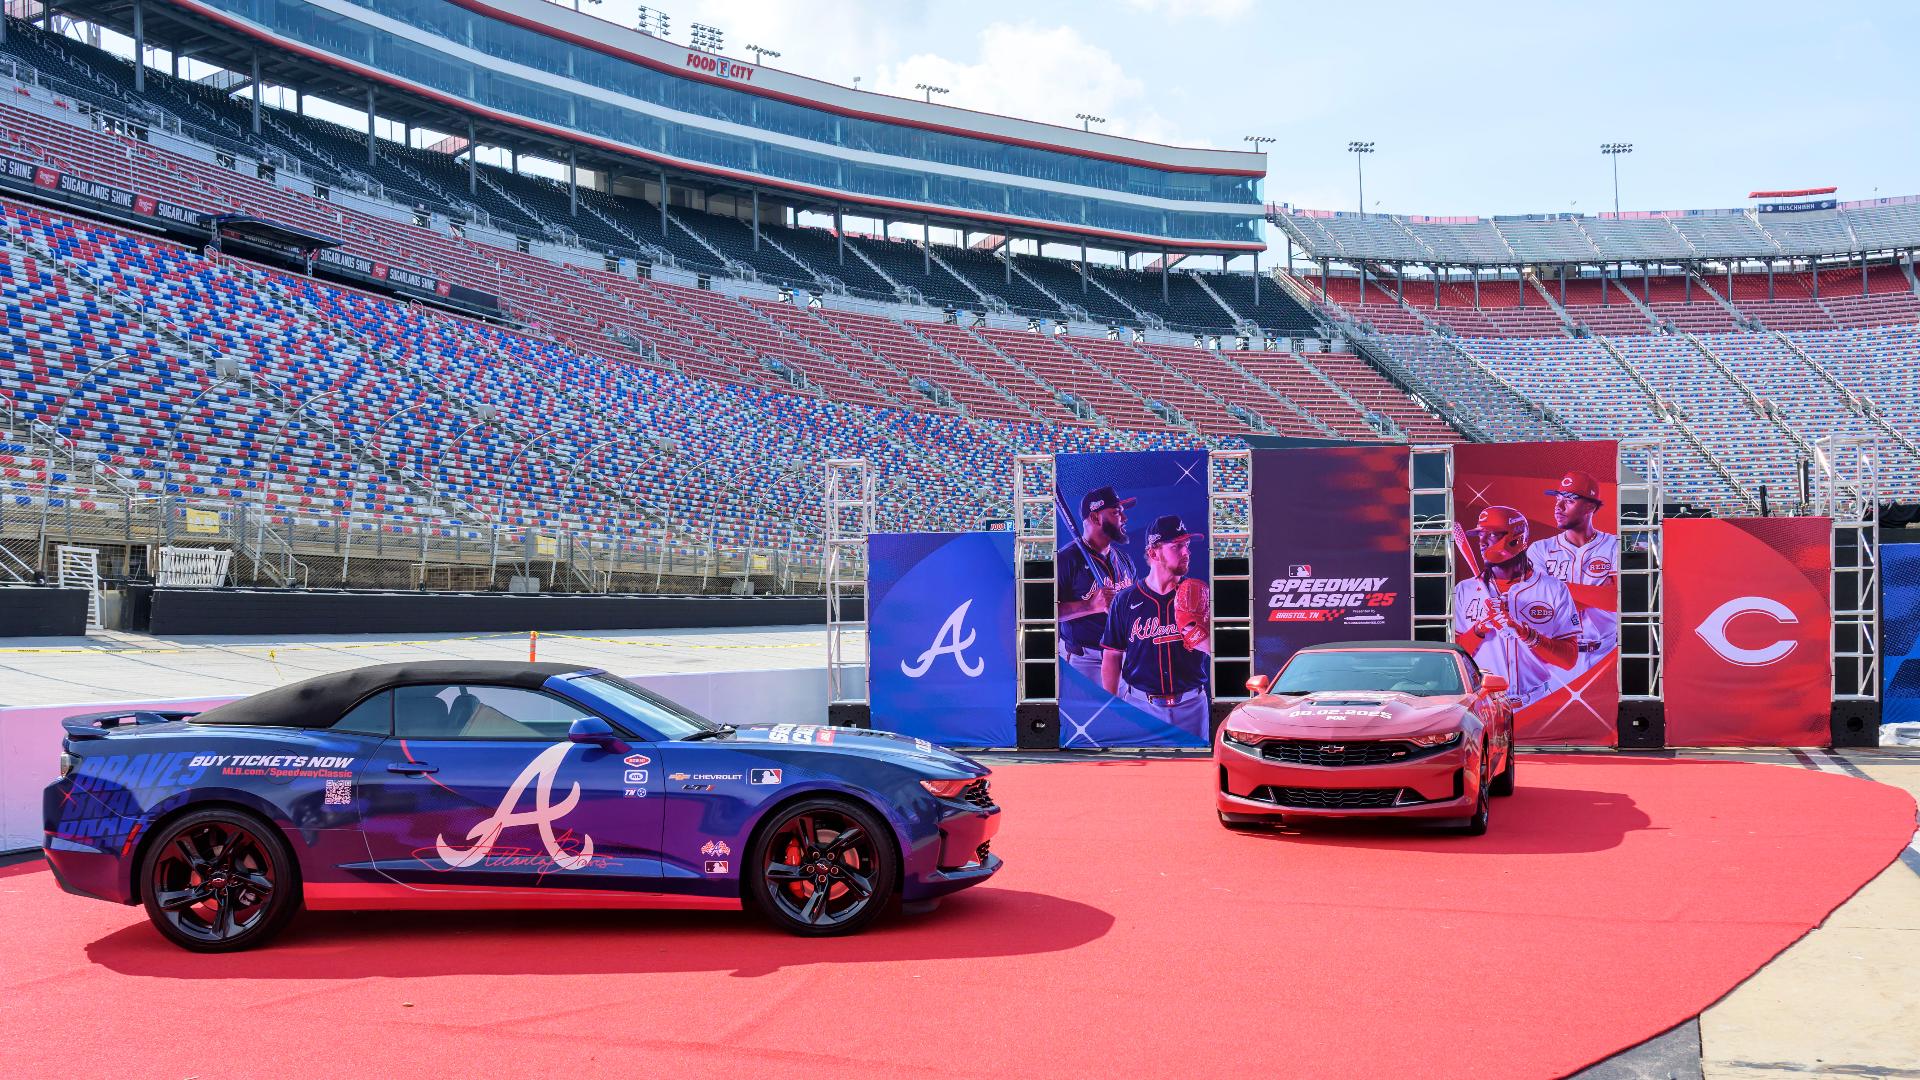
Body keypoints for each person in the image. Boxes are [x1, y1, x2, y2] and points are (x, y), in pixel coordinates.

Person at [1453, 506, 1579, 710]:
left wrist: (1525, 633)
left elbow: (1568, 659)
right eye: (1480, 535)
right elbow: (1454, 657)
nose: (1482, 543)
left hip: (1538, 703)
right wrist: (1479, 629)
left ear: (1516, 538)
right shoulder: (1464, 590)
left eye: (1491, 535)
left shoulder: (1552, 589)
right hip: (1485, 705)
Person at [1102, 515, 1209, 739]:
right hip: (1140, 707)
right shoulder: (1125, 600)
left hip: (1191, 705)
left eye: (1187, 545)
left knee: (1192, 772)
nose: (1186, 552)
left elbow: (1215, 650)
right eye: (1177, 546)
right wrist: (1110, 705)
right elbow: (1112, 655)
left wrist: (1200, 633)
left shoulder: (1198, 597)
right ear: (1153, 553)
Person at [1524, 471, 1619, 675]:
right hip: (1557, 657)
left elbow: (1617, 600)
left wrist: (1558, 592)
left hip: (1606, 653)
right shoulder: (1539, 550)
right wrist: (1598, 593)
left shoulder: (1614, 545)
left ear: (1590, 506)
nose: (1558, 506)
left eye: (1568, 500)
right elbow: (1540, 609)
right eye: (1558, 499)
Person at [1056, 485, 1136, 686]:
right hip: (1084, 660)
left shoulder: (1125, 561)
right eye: (1116, 513)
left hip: (1123, 657)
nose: (1124, 519)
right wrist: (1090, 606)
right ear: (1094, 518)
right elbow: (1039, 613)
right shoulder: (1065, 560)